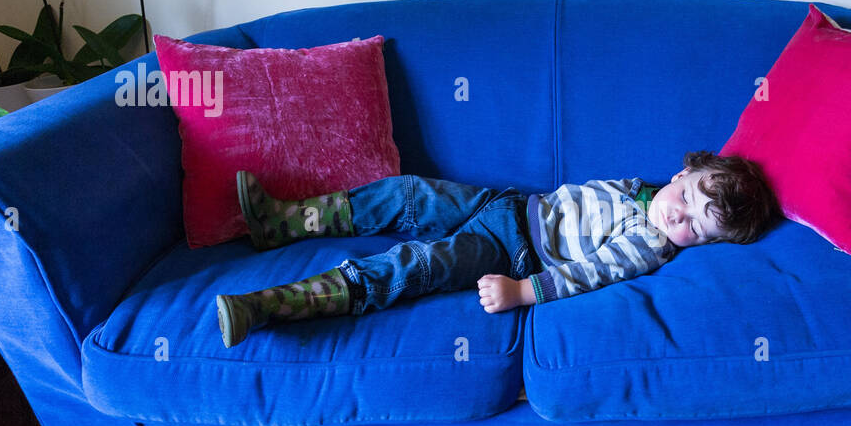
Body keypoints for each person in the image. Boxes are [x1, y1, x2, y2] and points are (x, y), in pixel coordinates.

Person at [215, 150, 782, 348]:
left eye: (697, 230)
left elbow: (592, 273)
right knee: (408, 194)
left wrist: (523, 292)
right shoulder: (646, 189)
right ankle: (284, 221)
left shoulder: (651, 245)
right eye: (688, 197)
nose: (677, 215)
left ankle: (268, 306)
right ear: (686, 171)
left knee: (418, 265)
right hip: (509, 204)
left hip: (511, 251)